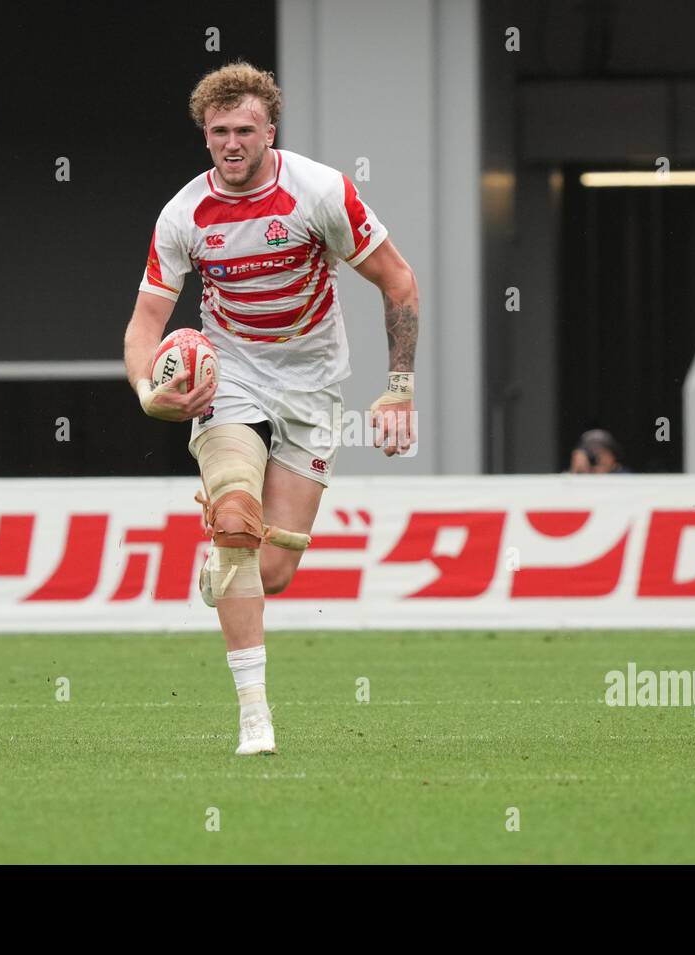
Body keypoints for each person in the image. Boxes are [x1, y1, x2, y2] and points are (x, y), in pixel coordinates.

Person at [122, 62, 419, 756]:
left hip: (314, 384)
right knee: (234, 521)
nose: (232, 142)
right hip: (229, 379)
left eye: (245, 130)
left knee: (273, 569)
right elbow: (144, 324)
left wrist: (398, 386)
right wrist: (147, 390)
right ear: (205, 135)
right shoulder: (182, 215)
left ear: (269, 131)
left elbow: (397, 279)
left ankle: (230, 566)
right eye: (219, 131)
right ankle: (255, 716)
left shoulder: (319, 191)